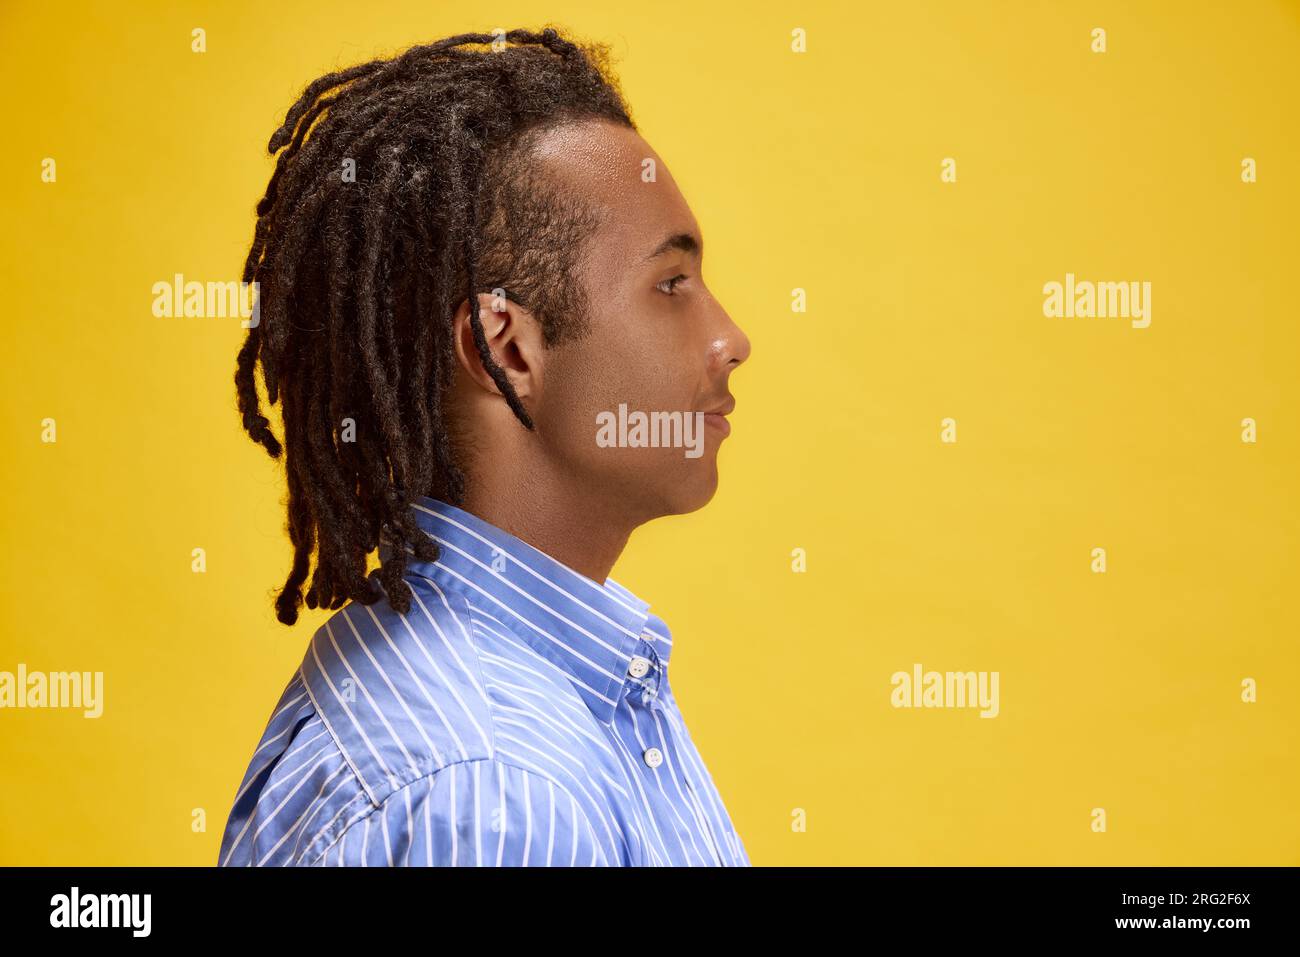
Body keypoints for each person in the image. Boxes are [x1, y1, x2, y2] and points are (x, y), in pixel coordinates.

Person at [217, 26, 752, 867]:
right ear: (508, 350)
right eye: (671, 285)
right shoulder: (493, 796)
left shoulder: (569, 692)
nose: (730, 339)